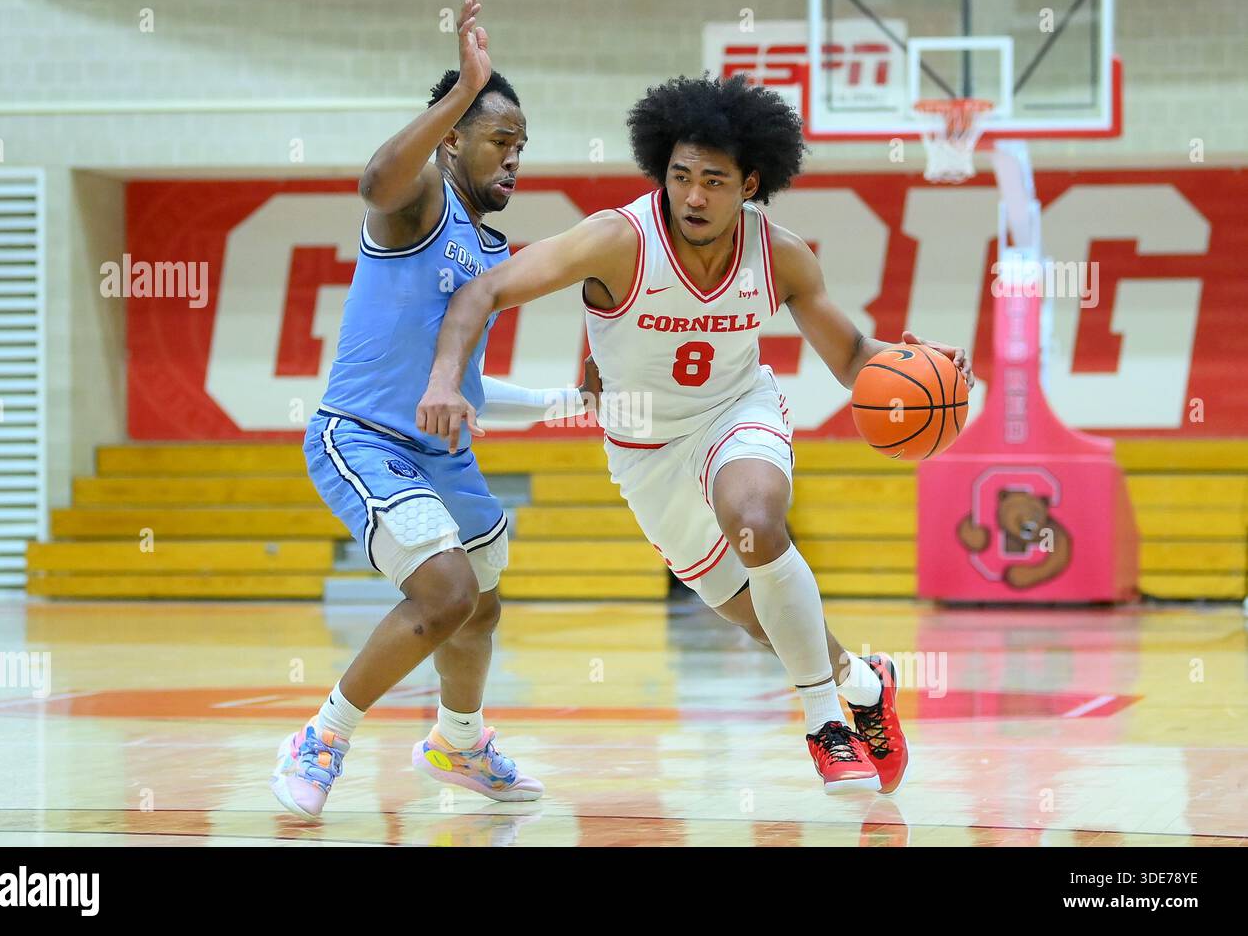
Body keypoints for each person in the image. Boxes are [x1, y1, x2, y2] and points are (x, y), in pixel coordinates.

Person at [418, 74, 975, 794]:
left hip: (735, 410)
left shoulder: (782, 255)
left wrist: (924, 370)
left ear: (750, 182)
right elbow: (482, 291)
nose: (694, 196)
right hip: (643, 444)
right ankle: (864, 685)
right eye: (680, 176)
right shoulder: (616, 239)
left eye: (714, 180)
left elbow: (850, 358)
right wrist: (442, 378)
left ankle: (823, 723)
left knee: (755, 521)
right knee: (756, 617)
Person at [272, 0, 592, 819]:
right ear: (453, 140)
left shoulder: (490, 249)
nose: (515, 160)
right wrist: (462, 89)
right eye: (500, 141)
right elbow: (373, 180)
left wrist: (570, 401)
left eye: (522, 147)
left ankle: (460, 739)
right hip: (363, 437)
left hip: (439, 451)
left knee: (482, 601)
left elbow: (467, 389)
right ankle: (323, 736)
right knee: (447, 591)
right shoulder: (418, 206)